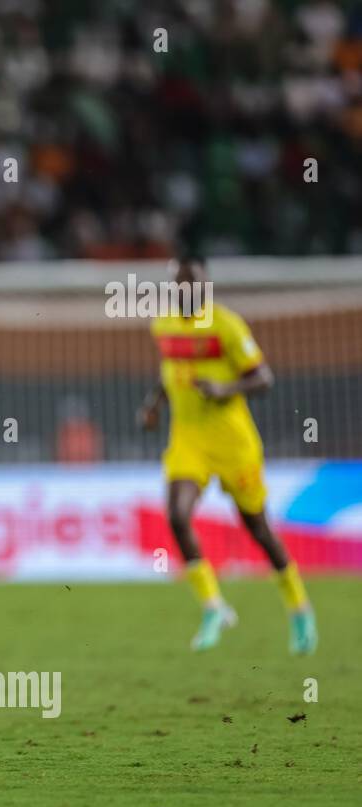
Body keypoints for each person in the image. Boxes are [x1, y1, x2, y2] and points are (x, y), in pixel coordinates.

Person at [138, 256, 317, 654]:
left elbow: (263, 377)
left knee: (258, 529)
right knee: (177, 514)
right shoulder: (163, 325)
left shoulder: (227, 325)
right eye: (179, 284)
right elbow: (170, 371)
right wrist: (154, 403)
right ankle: (213, 606)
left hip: (234, 443)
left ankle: (299, 607)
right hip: (189, 439)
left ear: (205, 287)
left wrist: (224, 390)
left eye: (193, 284)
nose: (185, 291)